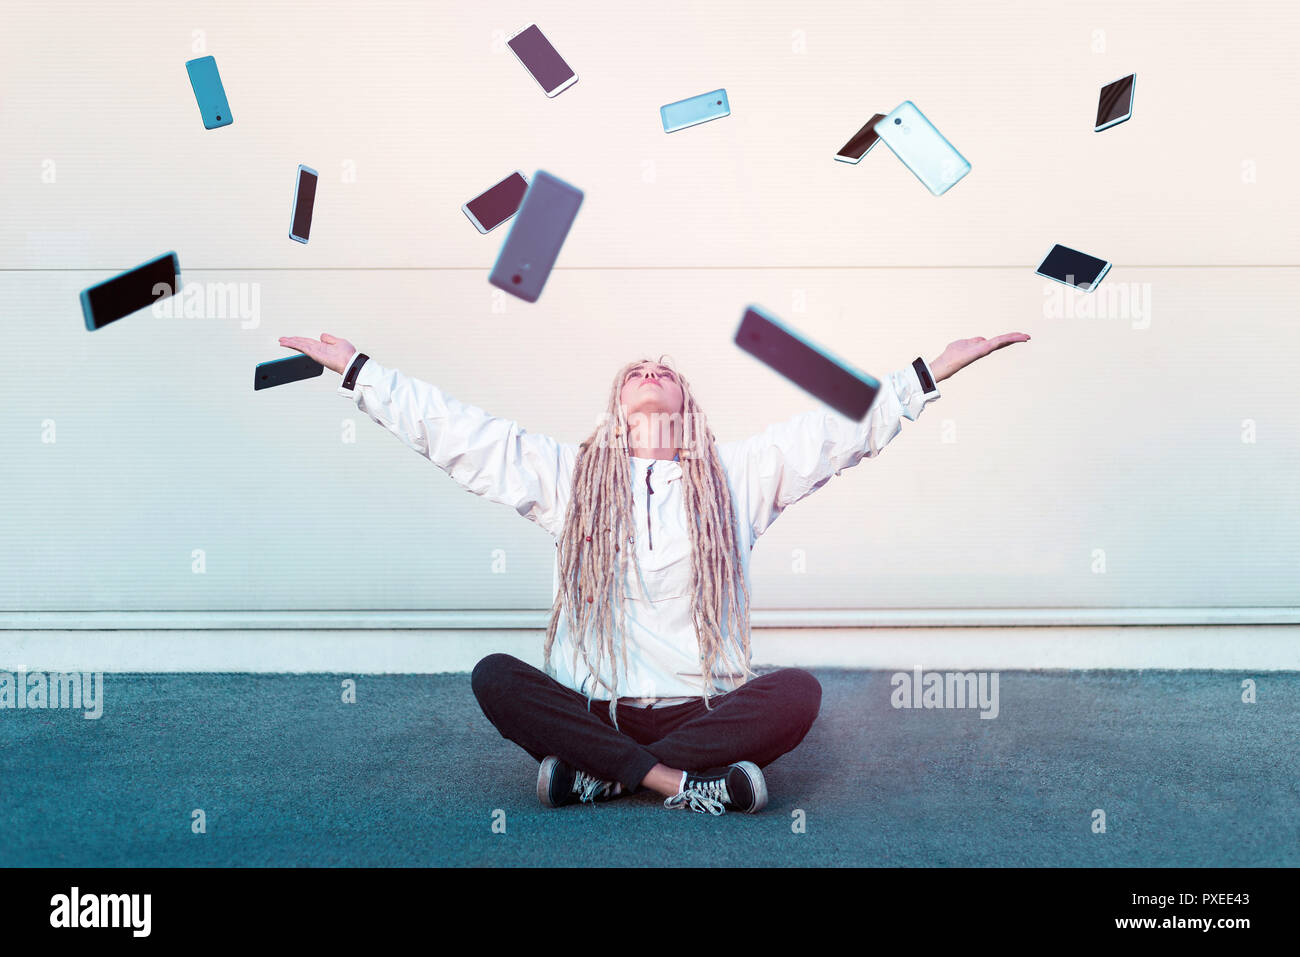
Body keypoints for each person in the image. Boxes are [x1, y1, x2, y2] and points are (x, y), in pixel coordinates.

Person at [279, 330, 1029, 815]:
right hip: (594, 703)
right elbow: (462, 435)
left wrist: (931, 371)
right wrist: (363, 373)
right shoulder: (571, 477)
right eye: (636, 367)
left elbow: (839, 434)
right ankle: (677, 784)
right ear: (618, 405)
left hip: (699, 711)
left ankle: (603, 777)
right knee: (494, 676)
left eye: (664, 369)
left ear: (684, 403)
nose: (649, 368)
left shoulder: (736, 476)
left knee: (797, 693)